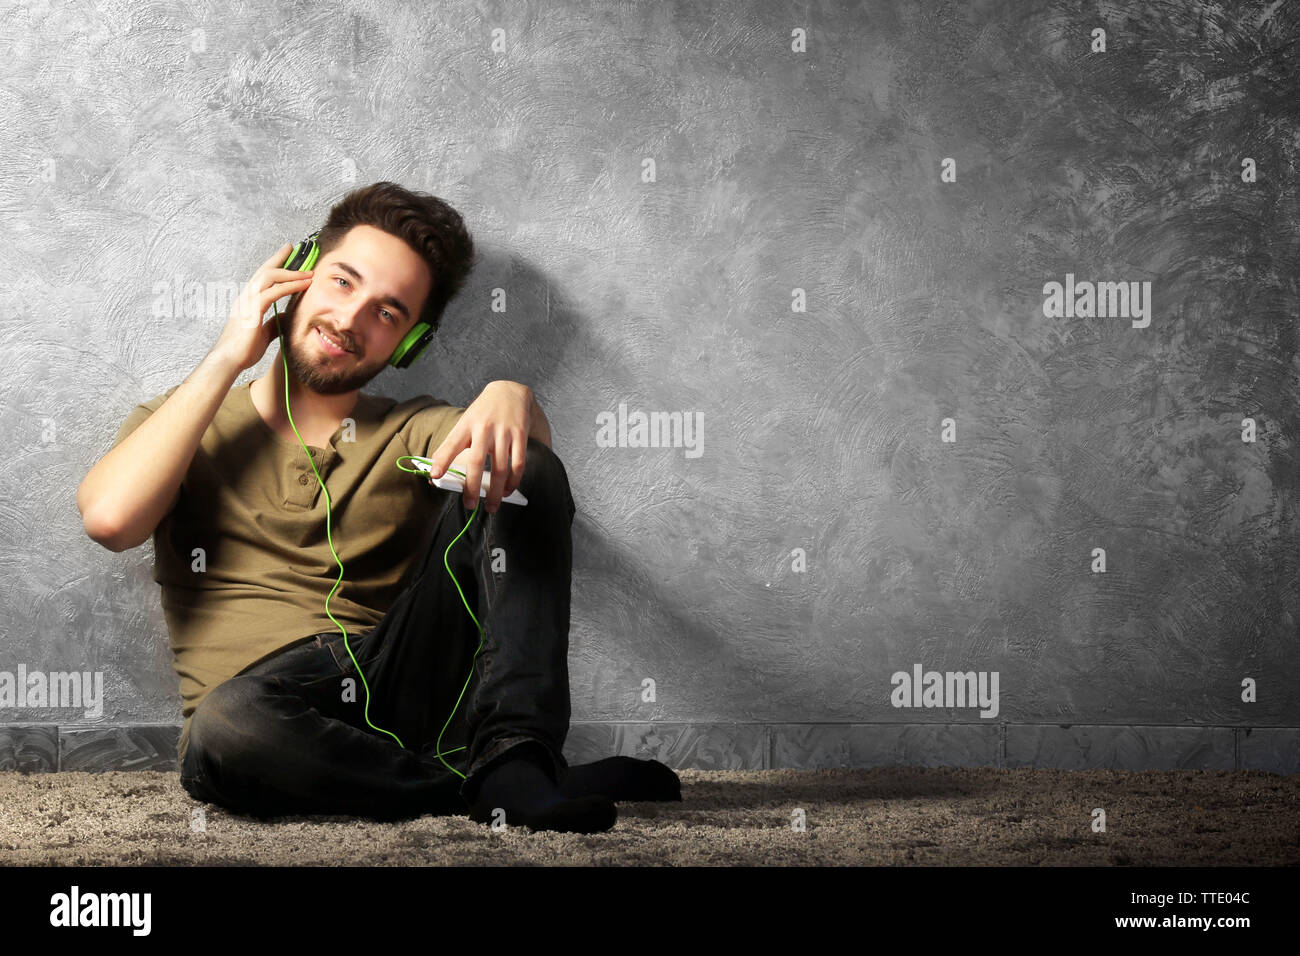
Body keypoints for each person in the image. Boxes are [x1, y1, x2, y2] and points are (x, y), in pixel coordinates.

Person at [77, 181, 680, 833]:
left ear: (409, 344)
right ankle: (489, 783)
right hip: (256, 721)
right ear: (298, 277)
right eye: (341, 282)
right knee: (229, 725)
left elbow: (526, 481)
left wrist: (515, 395)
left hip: (391, 677)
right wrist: (230, 352)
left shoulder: (410, 430)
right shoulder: (182, 422)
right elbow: (110, 520)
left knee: (524, 465)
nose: (350, 320)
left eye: (387, 313)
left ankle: (514, 753)